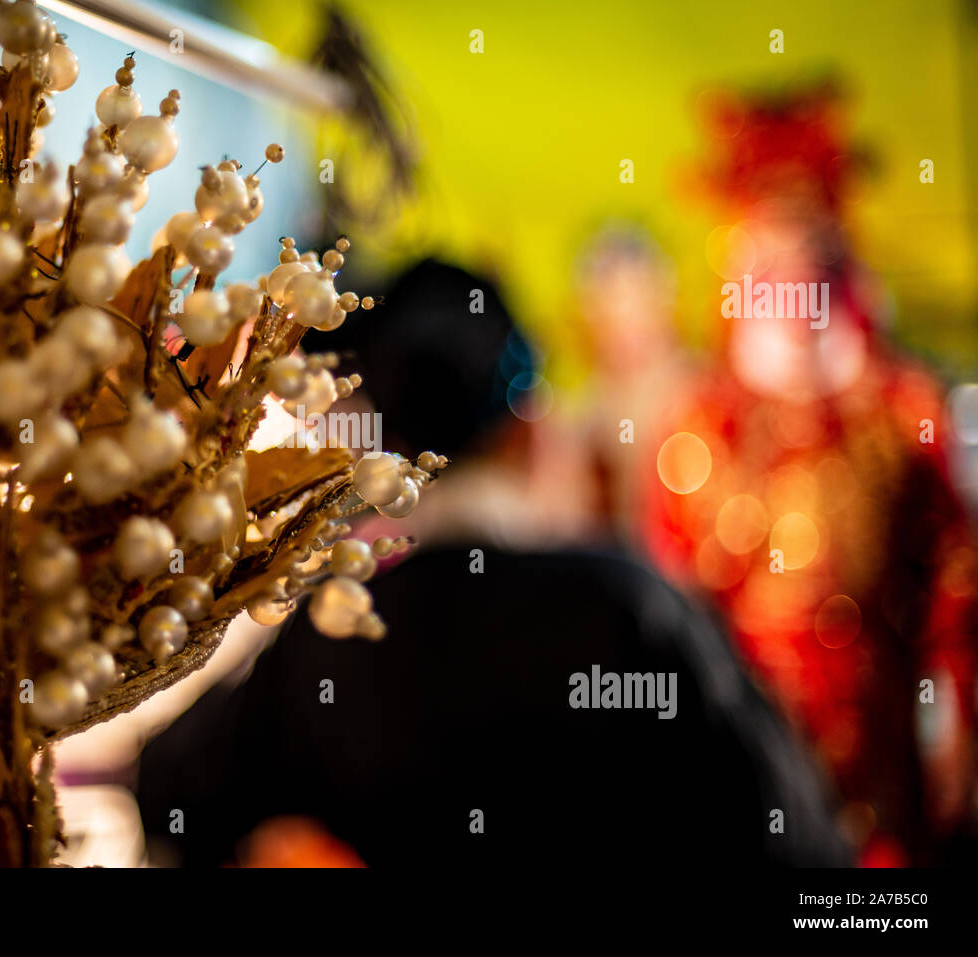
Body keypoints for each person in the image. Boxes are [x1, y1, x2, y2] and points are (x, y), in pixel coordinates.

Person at [135, 258, 849, 867]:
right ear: (528, 433)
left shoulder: (331, 637)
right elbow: (802, 851)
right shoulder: (629, 611)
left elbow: (168, 794)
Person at [641, 83, 978, 866]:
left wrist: (951, 713)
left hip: (884, 766)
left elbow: (953, 588)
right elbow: (674, 603)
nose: (794, 287)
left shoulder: (901, 412)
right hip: (745, 755)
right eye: (774, 257)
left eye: (812, 257)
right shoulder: (700, 422)